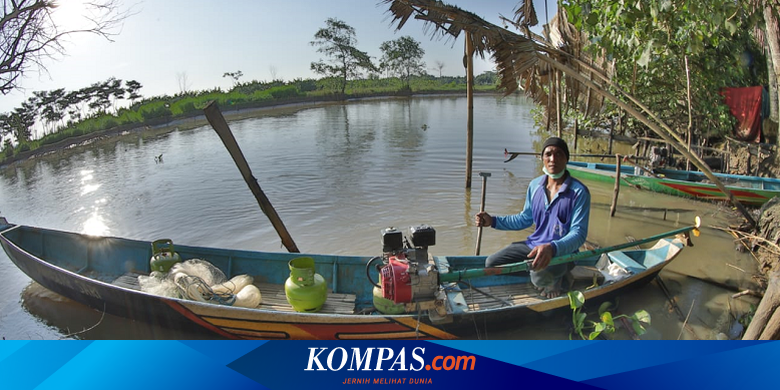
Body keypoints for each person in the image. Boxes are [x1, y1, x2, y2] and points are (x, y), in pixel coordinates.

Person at [475, 137, 590, 298]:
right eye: (548, 154)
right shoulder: (535, 186)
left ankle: (553, 277)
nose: (553, 159)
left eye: (559, 154)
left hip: (562, 253)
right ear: (542, 158)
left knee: (539, 277)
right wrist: (492, 221)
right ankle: (539, 274)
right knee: (491, 264)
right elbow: (524, 219)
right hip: (534, 245)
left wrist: (552, 247)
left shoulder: (579, 192)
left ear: (566, 159)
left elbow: (579, 234)